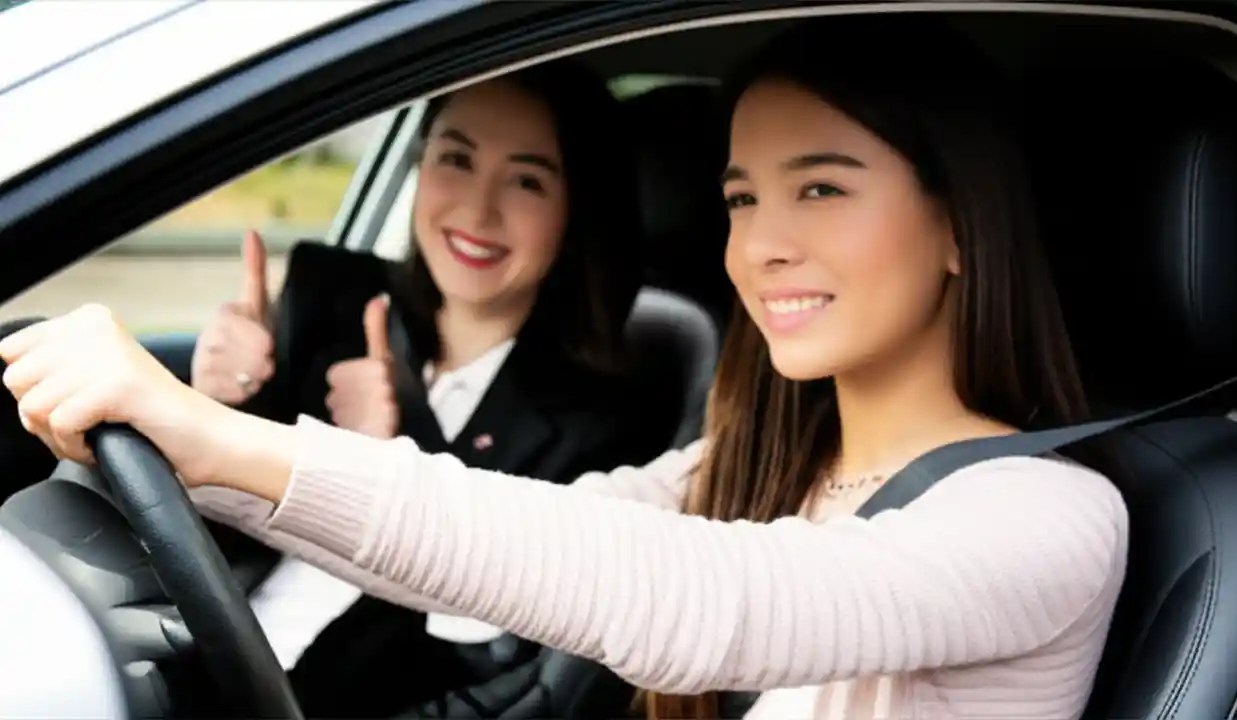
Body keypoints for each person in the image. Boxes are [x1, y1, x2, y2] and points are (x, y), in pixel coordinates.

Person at [0, 17, 1128, 720]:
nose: (759, 242)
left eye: (819, 187)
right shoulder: (755, 460)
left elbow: (708, 602)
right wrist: (198, 447)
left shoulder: (1045, 513)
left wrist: (220, 440)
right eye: (741, 198)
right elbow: (494, 537)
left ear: (960, 229)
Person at [184, 61, 656, 718]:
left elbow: (502, 671)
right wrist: (223, 404)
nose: (477, 209)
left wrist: (406, 458)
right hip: (189, 658)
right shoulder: (330, 300)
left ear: (575, 208)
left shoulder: (604, 425)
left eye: (526, 180)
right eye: (456, 160)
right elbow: (196, 537)